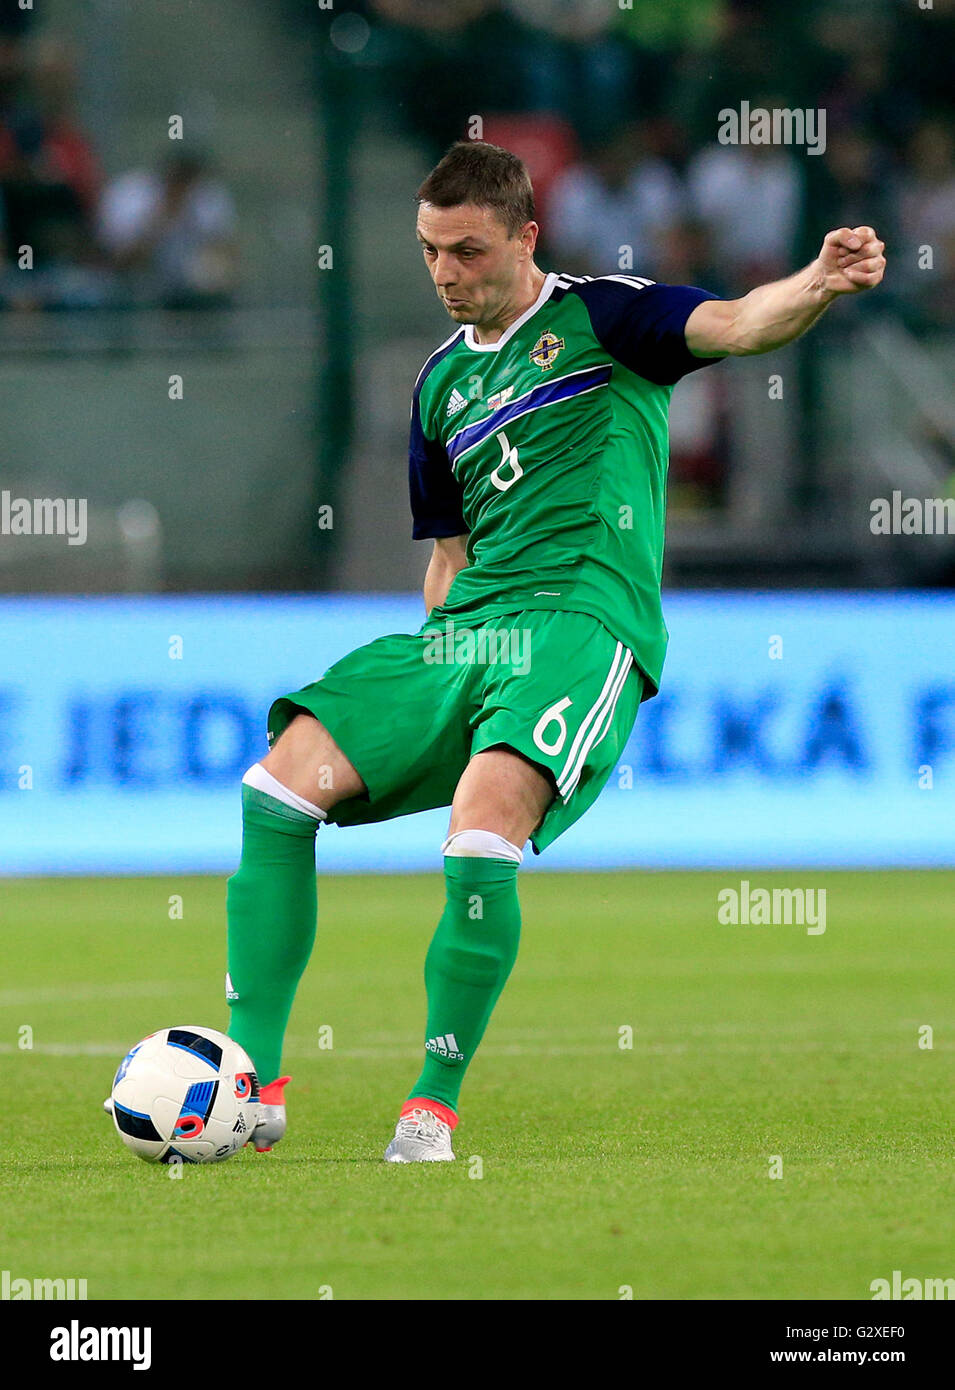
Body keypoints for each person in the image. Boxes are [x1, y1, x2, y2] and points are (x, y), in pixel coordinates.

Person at [225, 141, 885, 1162]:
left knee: (482, 825)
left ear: (526, 237)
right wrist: (436, 667)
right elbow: (451, 556)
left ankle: (429, 1110)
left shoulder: (608, 317)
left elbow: (740, 323)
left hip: (583, 621)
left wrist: (817, 281)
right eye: (429, 252)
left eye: (469, 251)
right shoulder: (440, 384)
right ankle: (253, 1083)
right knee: (278, 785)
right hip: (471, 630)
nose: (446, 274)